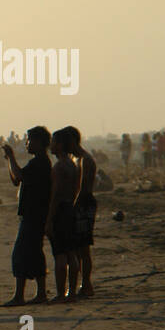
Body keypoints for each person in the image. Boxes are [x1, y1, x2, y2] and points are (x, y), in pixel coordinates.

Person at [1, 126, 51, 306]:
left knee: (21, 253)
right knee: (34, 253)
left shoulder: (40, 163)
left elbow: (19, 176)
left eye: (29, 140)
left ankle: (20, 296)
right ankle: (39, 293)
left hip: (34, 214)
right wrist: (9, 160)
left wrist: (12, 158)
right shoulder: (38, 162)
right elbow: (16, 179)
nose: (27, 143)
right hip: (33, 214)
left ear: (38, 142)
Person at [45, 129, 80, 302]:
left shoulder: (59, 167)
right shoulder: (71, 164)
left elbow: (55, 195)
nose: (50, 145)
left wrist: (49, 219)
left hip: (60, 210)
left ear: (59, 145)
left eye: (53, 142)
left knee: (60, 254)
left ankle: (60, 293)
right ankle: (71, 291)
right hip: (69, 208)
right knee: (71, 253)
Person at [64, 126, 96, 299]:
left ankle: (86, 284)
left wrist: (73, 208)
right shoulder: (74, 158)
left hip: (83, 204)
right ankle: (80, 285)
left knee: (83, 248)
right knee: (76, 249)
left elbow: (83, 190)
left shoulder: (85, 160)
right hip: (78, 204)